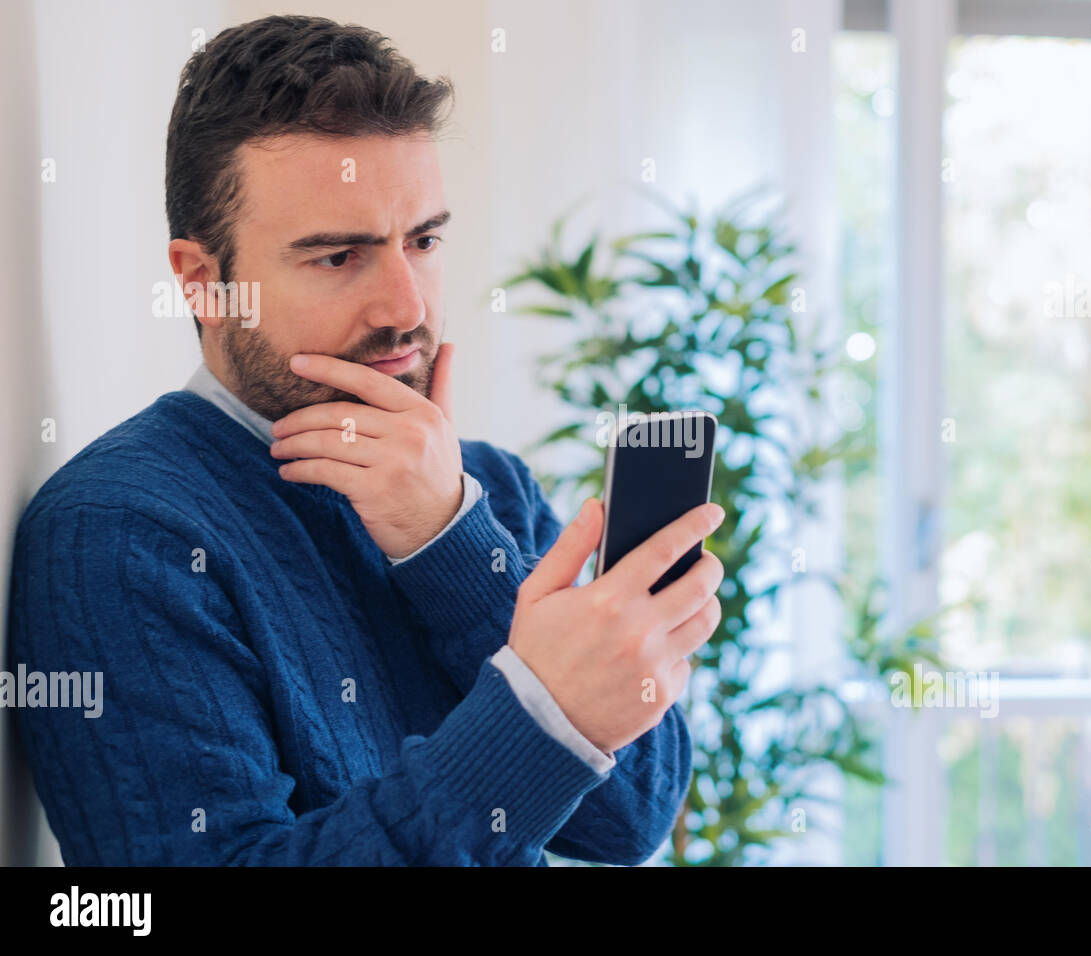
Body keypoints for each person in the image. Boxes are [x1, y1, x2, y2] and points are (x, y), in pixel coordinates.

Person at [5, 14, 725, 866]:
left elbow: (629, 820)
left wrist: (449, 540)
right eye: (339, 257)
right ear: (203, 282)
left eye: (422, 241)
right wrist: (539, 713)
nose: (407, 307)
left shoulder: (482, 486)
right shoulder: (124, 534)